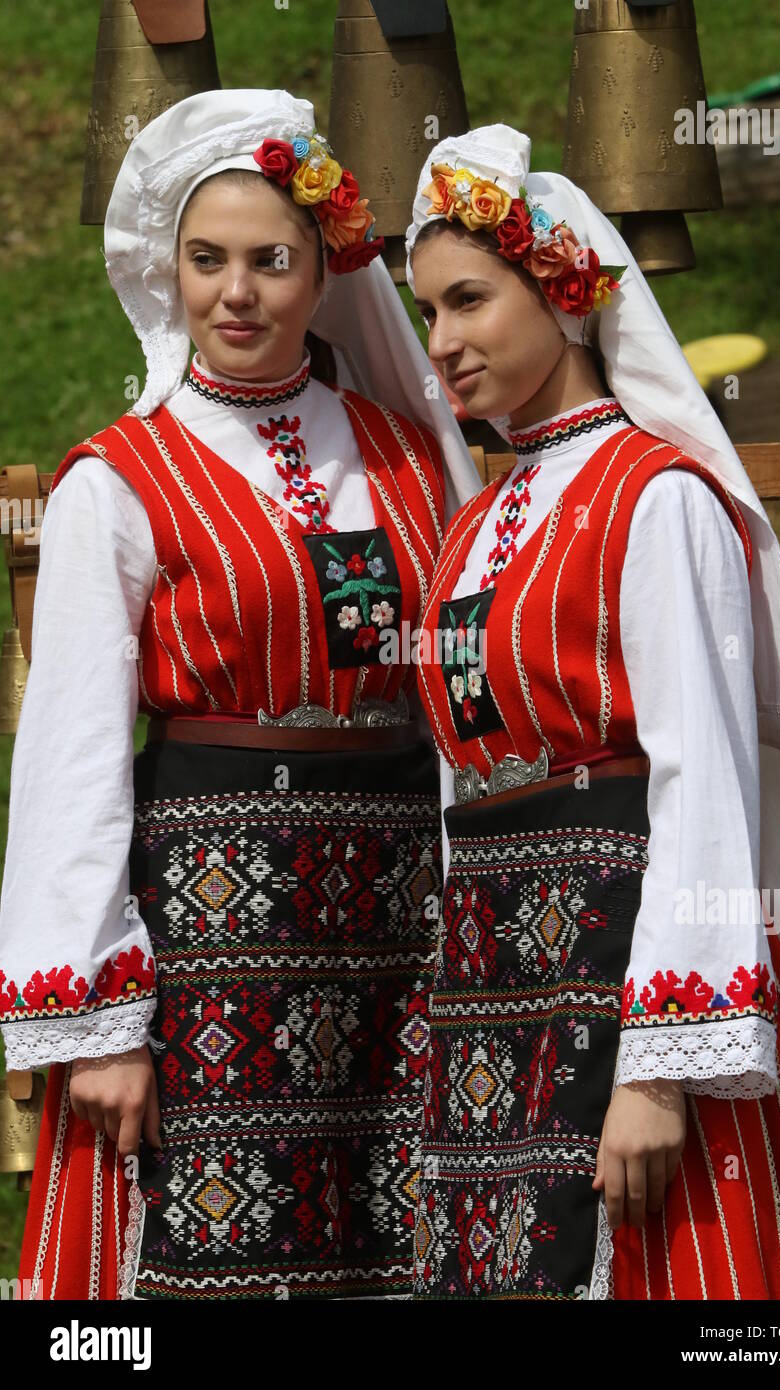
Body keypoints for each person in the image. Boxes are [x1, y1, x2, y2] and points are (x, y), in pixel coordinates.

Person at [0, 88, 480, 1301]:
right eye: (207, 261)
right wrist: (99, 1013)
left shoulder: (409, 449)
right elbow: (70, 752)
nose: (238, 292)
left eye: (270, 260)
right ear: (171, 275)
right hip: (212, 922)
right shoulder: (118, 479)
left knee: (403, 1240)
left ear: (322, 269)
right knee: (206, 1256)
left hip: (401, 921)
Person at [403, 122, 780, 1299]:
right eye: (426, 315)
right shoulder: (478, 524)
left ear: (558, 293)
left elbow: (701, 776)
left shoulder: (656, 500)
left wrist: (659, 1068)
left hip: (629, 968)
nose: (442, 343)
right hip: (502, 986)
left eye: (467, 300)